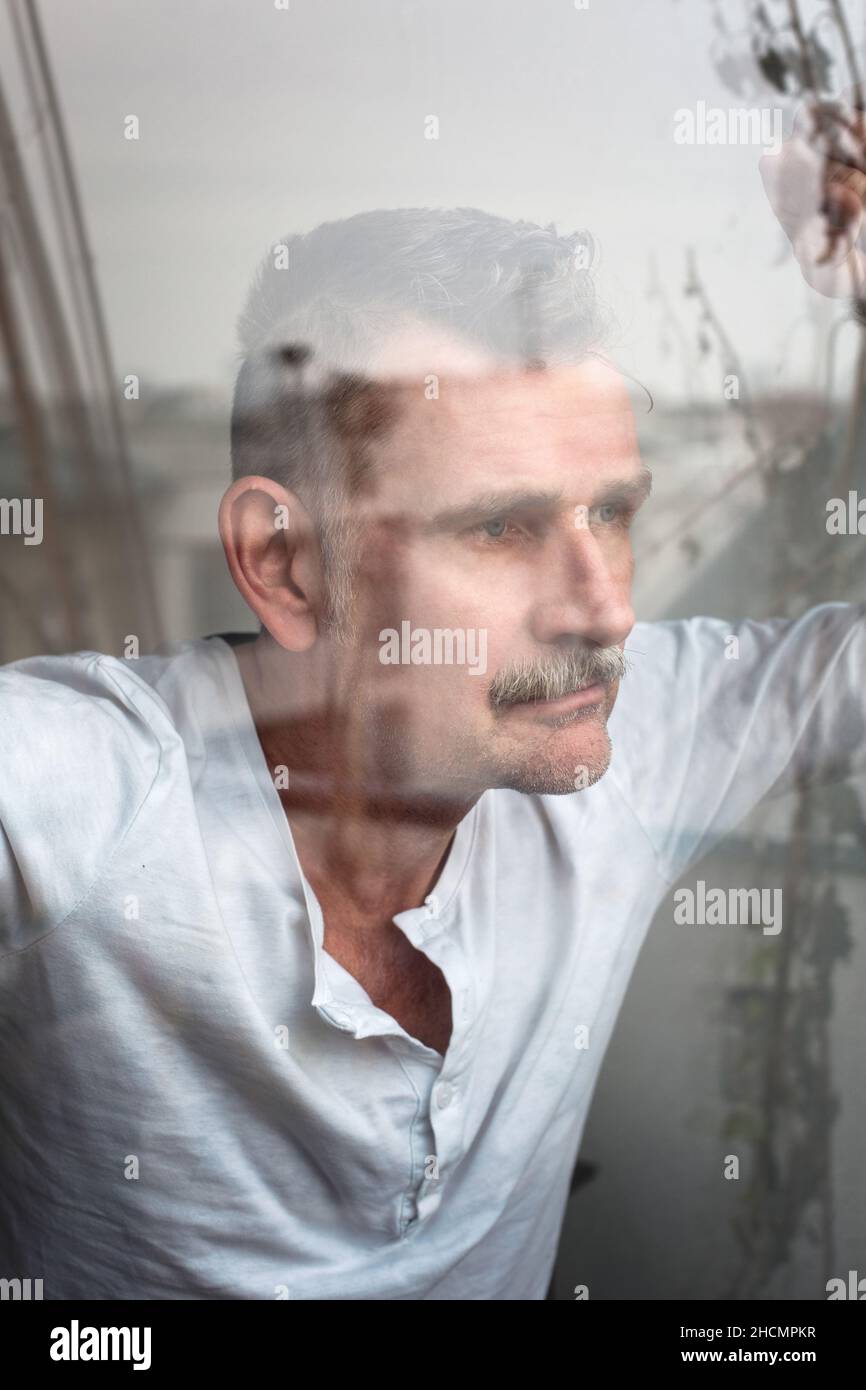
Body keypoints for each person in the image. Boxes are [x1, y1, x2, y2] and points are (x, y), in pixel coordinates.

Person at [0, 175, 863, 1298]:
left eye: (611, 512)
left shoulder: (616, 735)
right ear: (284, 563)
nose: (601, 609)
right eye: (499, 526)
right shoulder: (90, 790)